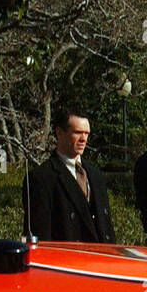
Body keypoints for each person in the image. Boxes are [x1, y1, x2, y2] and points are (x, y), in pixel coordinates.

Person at [24, 103, 115, 243]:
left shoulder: (96, 175)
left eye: (86, 133)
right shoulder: (41, 178)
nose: (84, 139)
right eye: (77, 132)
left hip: (100, 259)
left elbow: (106, 228)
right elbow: (41, 237)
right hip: (68, 260)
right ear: (59, 133)